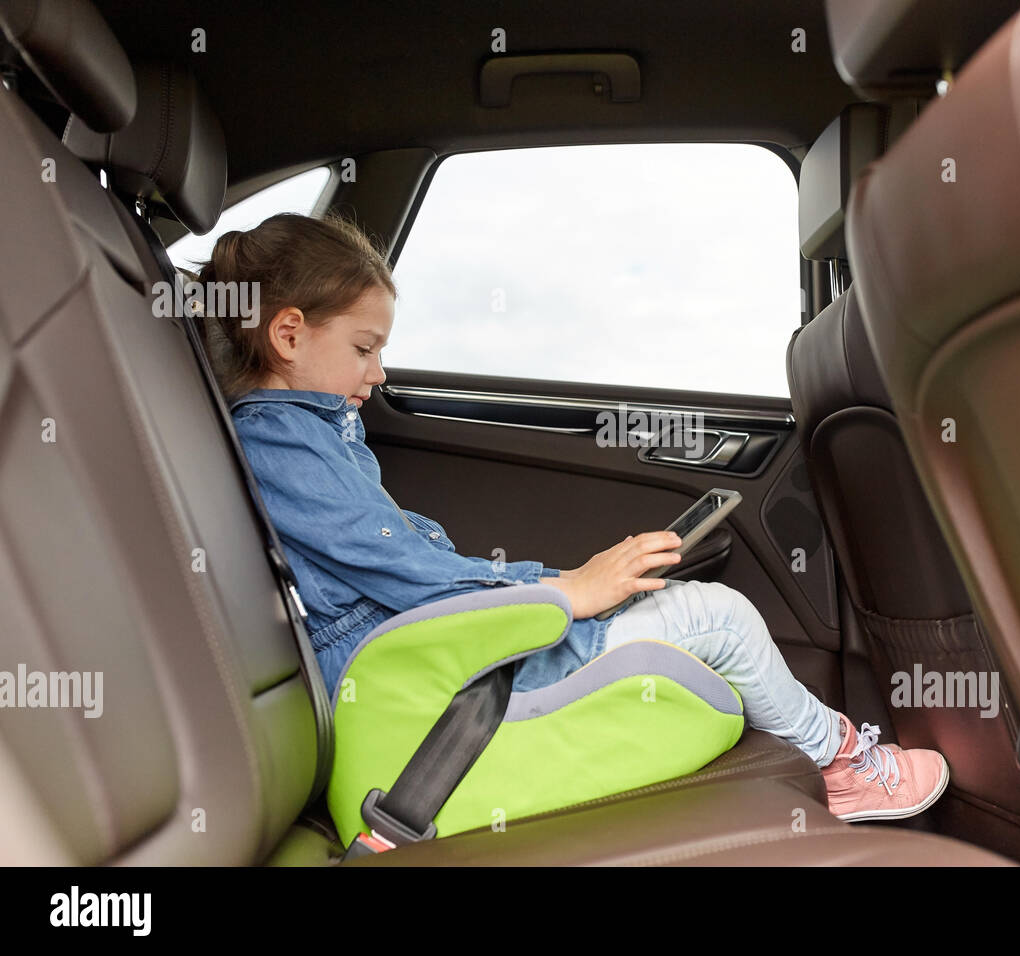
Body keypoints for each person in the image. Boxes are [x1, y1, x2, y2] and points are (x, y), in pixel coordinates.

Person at [204, 211, 950, 822]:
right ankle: (843, 765)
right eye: (365, 348)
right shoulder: (281, 438)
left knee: (693, 614)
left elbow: (401, 565)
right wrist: (563, 595)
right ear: (289, 333)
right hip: (422, 678)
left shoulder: (306, 430)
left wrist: (556, 584)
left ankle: (835, 753)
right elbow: (399, 566)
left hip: (433, 653)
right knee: (719, 619)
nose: (381, 372)